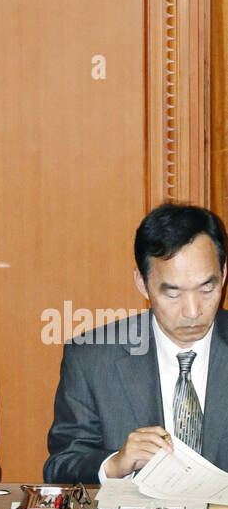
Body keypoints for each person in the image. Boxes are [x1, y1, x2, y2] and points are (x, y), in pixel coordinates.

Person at [44, 202, 228, 483]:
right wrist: (114, 464)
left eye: (207, 288)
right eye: (173, 294)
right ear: (142, 283)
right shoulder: (91, 358)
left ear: (224, 274)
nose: (193, 311)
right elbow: (60, 466)